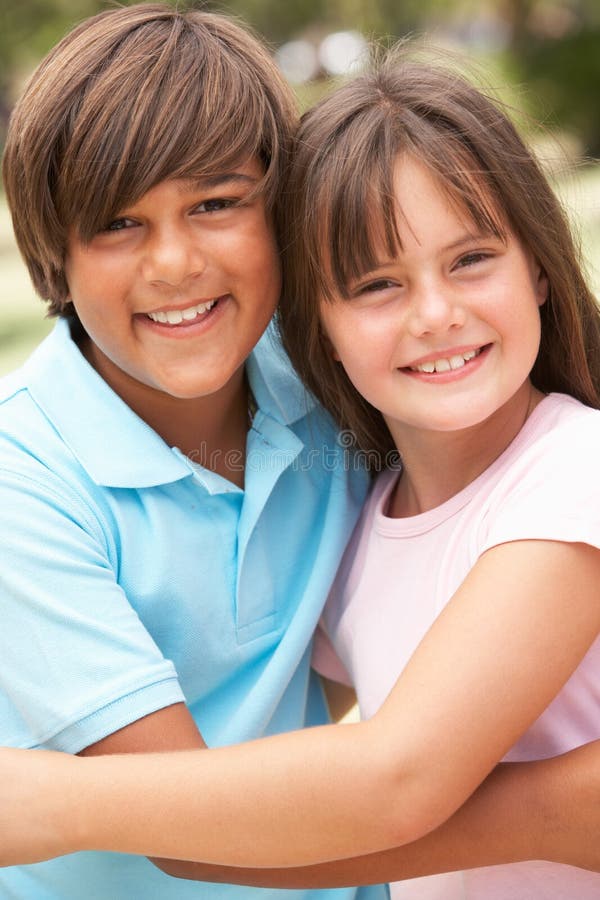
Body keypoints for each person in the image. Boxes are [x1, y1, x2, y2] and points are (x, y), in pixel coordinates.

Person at [1, 16, 599, 899]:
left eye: (215, 203)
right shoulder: (26, 483)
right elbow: (187, 832)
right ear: (54, 253)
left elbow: (401, 756)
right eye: (117, 223)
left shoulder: (339, 391)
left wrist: (51, 801)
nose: (175, 262)